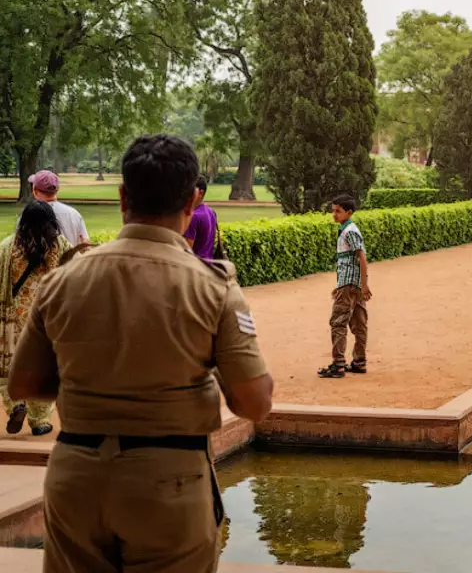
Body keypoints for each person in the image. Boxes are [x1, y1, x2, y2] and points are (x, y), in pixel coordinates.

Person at [8, 133, 273, 571]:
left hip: (77, 475)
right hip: (168, 479)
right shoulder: (213, 286)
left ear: (122, 196)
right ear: (192, 201)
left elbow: (24, 384)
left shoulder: (63, 280)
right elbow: (254, 403)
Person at [2, 201, 71, 437]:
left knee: (10, 365)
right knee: (44, 368)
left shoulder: (8, 247)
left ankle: (15, 405)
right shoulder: (60, 246)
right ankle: (40, 421)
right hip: (48, 318)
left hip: (14, 319)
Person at [319, 195, 372, 378]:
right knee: (359, 324)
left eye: (338, 211)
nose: (334, 214)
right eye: (333, 210)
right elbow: (350, 261)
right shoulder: (348, 229)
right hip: (351, 284)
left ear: (349, 213)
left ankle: (338, 364)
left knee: (338, 322)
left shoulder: (350, 231)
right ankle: (359, 361)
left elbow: (361, 256)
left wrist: (363, 285)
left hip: (350, 285)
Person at [28, 169, 89, 248]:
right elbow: (85, 243)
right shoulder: (74, 214)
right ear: (57, 190)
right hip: (71, 259)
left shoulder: (28, 215)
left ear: (35, 191)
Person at [184, 175, 219, 260]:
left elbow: (186, 251)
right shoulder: (211, 212)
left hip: (195, 267)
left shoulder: (193, 217)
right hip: (209, 265)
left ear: (200, 193)